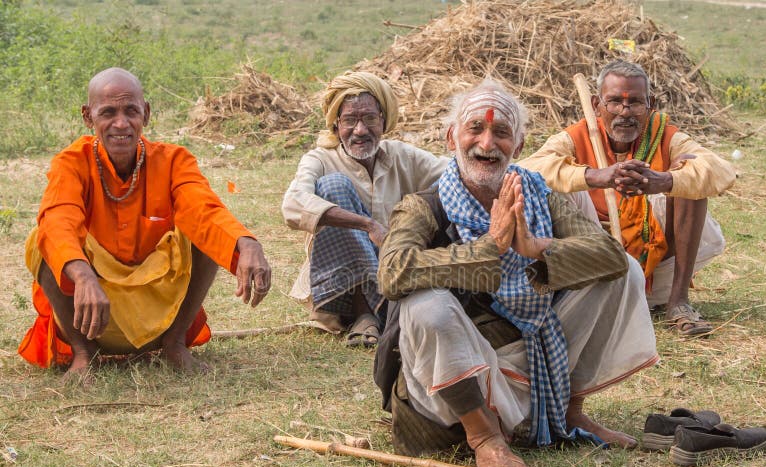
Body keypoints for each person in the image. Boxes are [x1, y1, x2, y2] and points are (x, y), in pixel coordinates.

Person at [375, 80, 659, 467]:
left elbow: (610, 255)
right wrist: (489, 247)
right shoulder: (423, 206)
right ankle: (483, 436)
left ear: (519, 146)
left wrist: (537, 247)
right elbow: (391, 273)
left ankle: (569, 410)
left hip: (529, 366)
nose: (487, 143)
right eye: (475, 128)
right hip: (448, 391)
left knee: (622, 272)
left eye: (501, 132)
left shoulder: (535, 194)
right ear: (451, 138)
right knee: (426, 305)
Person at [17, 67, 271, 385]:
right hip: (93, 311)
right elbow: (58, 220)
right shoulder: (71, 163)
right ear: (87, 116)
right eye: (108, 112)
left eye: (131, 111)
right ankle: (84, 353)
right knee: (42, 239)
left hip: (159, 315)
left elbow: (205, 212)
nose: (121, 123)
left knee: (201, 233)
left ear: (146, 114)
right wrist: (82, 276)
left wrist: (246, 243)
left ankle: (175, 344)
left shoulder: (174, 161)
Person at [518, 60, 736, 335]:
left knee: (690, 176)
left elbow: (722, 171)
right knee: (547, 187)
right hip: (594, 257)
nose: (625, 112)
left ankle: (678, 302)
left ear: (650, 104)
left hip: (653, 261)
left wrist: (664, 181)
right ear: (596, 104)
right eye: (614, 102)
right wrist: (594, 176)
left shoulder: (663, 135)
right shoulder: (577, 137)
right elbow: (526, 170)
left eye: (635, 103)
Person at [282, 71, 448, 346]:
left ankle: (388, 313)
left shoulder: (401, 155)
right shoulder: (320, 159)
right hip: (340, 288)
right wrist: (366, 224)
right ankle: (365, 313)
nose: (360, 130)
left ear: (383, 121)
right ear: (336, 124)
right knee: (334, 185)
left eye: (369, 118)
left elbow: (454, 174)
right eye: (350, 120)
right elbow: (293, 203)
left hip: (394, 275)